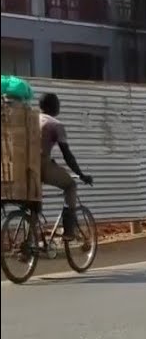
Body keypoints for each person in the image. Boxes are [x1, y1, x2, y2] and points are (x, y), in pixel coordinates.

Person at [38, 93, 92, 238]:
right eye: (58, 104)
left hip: (23, 166)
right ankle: (69, 231)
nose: (59, 106)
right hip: (41, 165)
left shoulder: (29, 120)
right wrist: (81, 174)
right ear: (51, 106)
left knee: (33, 205)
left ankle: (29, 247)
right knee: (71, 186)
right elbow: (67, 155)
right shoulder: (55, 124)